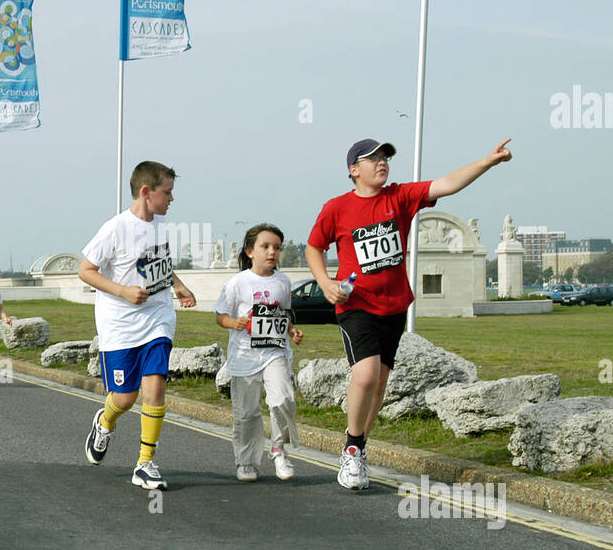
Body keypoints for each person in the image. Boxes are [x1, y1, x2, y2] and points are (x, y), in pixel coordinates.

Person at [306, 136, 513, 490]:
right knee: (367, 375)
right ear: (354, 170)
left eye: (386, 157)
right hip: (356, 305)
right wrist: (325, 281)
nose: (382, 162)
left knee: (380, 383)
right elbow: (314, 246)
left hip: (394, 306)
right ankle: (352, 447)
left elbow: (447, 184)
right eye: (373, 159)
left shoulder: (399, 197)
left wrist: (487, 162)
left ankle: (360, 447)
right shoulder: (336, 208)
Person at [78, 161, 197, 490]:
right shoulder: (115, 228)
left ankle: (145, 463)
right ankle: (104, 422)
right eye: (167, 192)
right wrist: (124, 291)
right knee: (126, 398)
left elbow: (160, 264)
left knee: (155, 385)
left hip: (158, 318)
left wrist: (179, 286)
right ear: (146, 192)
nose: (172, 199)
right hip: (119, 325)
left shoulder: (159, 226)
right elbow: (85, 270)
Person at [214, 224, 303, 483]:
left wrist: (292, 332)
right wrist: (235, 323)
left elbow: (283, 316)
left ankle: (278, 449)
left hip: (275, 353)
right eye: (265, 247)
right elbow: (220, 315)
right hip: (245, 357)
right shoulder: (238, 283)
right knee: (247, 413)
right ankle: (246, 462)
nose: (272, 252)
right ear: (250, 251)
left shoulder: (283, 282)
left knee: (282, 400)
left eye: (276, 247)